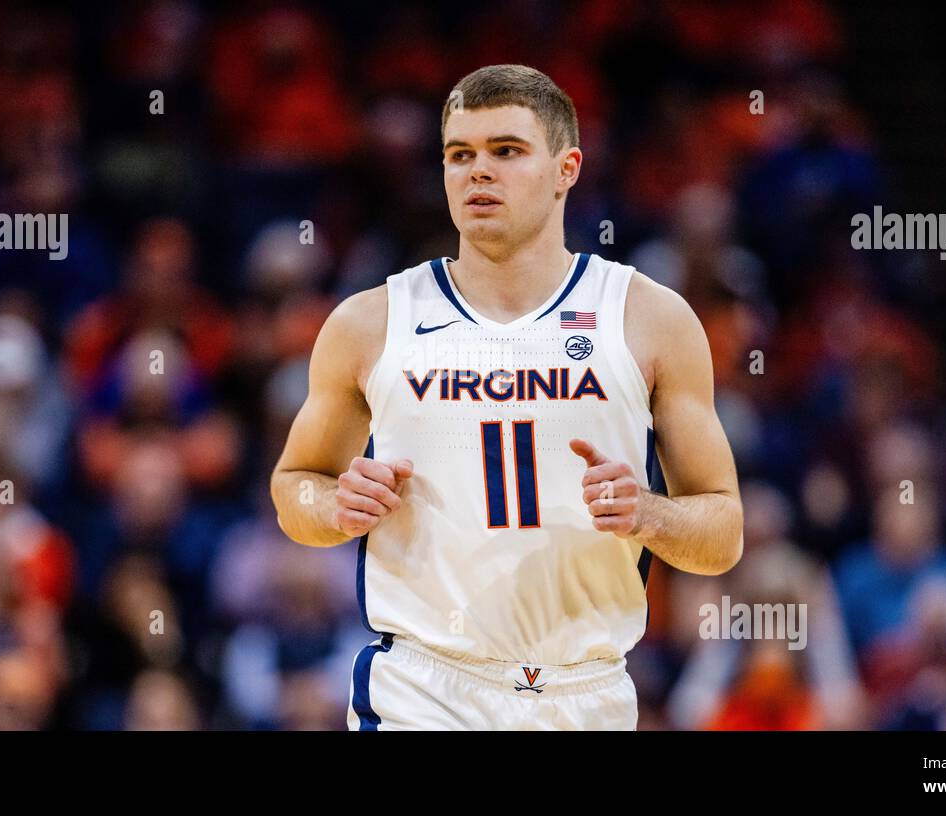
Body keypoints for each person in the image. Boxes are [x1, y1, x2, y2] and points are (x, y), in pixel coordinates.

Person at [270, 65, 743, 730]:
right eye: (459, 155)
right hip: (424, 688)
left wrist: (650, 515)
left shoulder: (648, 318)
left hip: (586, 691)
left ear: (566, 168)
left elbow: (722, 533)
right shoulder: (371, 322)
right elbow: (295, 488)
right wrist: (334, 505)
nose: (477, 172)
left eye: (506, 151)